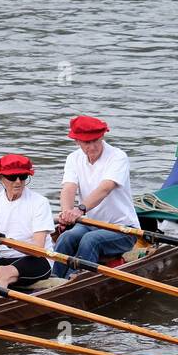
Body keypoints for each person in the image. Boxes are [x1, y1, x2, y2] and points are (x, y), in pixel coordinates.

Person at [52, 115, 140, 278]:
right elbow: (69, 187)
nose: (92, 147)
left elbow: (105, 188)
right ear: (77, 141)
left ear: (102, 137)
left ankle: (73, 280)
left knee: (90, 240)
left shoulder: (117, 156)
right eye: (87, 142)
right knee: (66, 238)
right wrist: (65, 212)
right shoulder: (73, 158)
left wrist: (80, 209)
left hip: (123, 229)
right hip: (90, 224)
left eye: (95, 141)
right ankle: (52, 280)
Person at [0, 154, 54, 290]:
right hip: (4, 259)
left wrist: (7, 241)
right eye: (12, 177)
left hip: (39, 260)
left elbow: (38, 249)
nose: (18, 181)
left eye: (23, 176)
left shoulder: (39, 202)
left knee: (2, 272)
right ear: (0, 178)